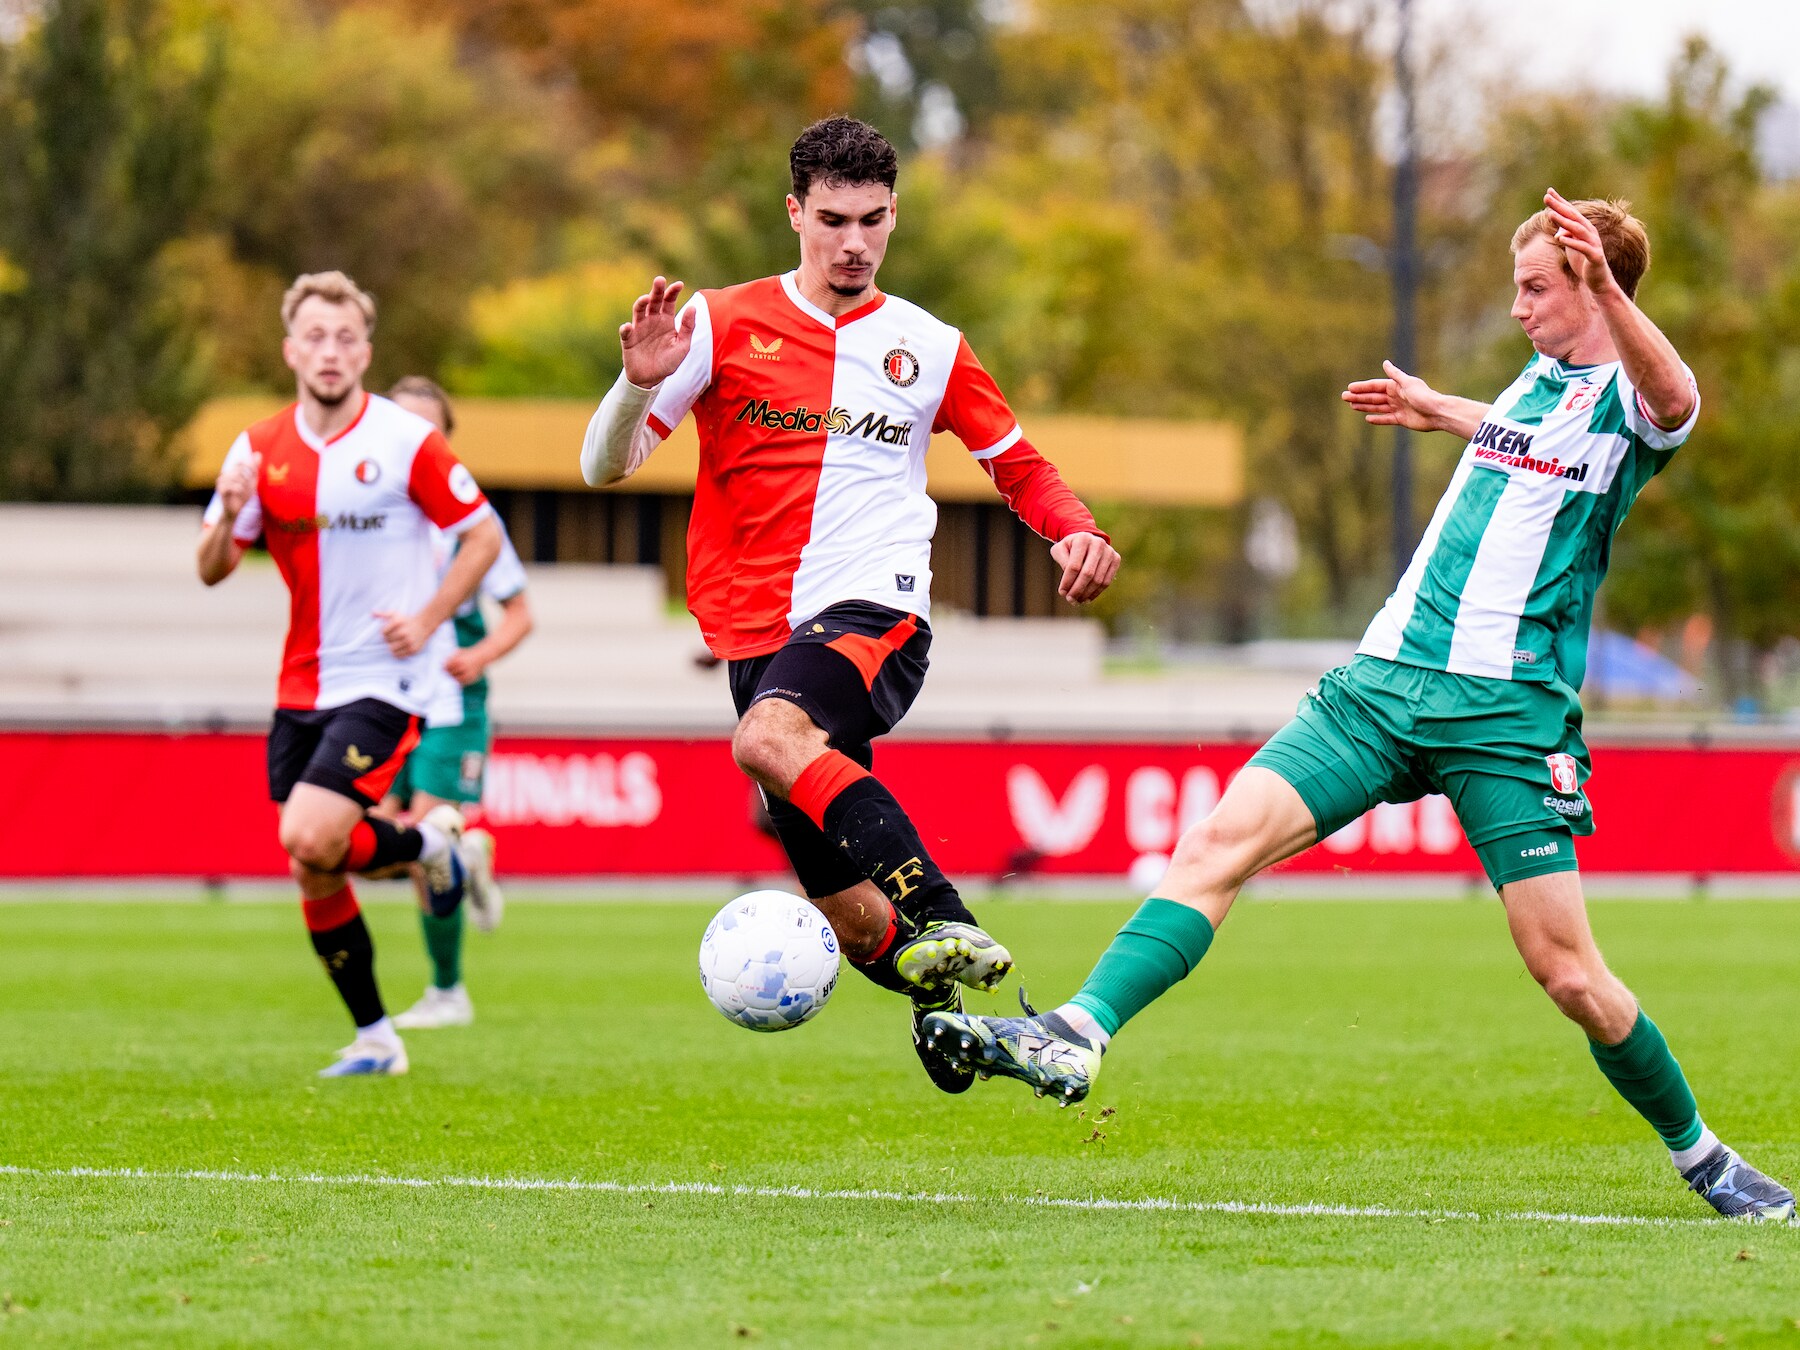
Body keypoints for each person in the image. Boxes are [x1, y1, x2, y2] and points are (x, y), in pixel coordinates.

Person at [924, 191, 1795, 1221]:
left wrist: (1608, 291)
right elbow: (1528, 434)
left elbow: (1675, 397)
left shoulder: (1635, 404)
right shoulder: (1540, 385)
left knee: (1566, 973)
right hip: (1381, 682)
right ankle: (1076, 1032)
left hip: (1503, 715)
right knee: (1215, 846)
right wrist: (1446, 412)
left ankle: (1704, 1157)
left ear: (1596, 290)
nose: (1517, 308)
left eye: (1537, 288)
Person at [581, 116, 1121, 1092]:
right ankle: (945, 1013)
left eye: (873, 221)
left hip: (879, 609)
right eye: (833, 219)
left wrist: (1073, 527)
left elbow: (1018, 465)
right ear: (795, 213)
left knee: (765, 743)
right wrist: (633, 384)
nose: (854, 243)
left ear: (893, 217)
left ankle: (947, 912)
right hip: (757, 632)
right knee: (856, 919)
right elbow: (603, 466)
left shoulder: (929, 344)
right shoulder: (717, 324)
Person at [198, 272, 501, 1078]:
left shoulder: (405, 440)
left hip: (387, 679)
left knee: (308, 833)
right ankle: (377, 1032)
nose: (330, 352)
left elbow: (482, 538)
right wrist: (228, 512)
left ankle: (431, 847)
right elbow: (212, 569)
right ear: (291, 349)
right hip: (300, 683)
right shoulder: (257, 448)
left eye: (345, 338)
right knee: (311, 861)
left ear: (365, 351)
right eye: (315, 337)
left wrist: (429, 620)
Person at [379, 376, 534, 1030]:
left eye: (429, 431)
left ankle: (448, 991)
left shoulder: (470, 522)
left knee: (420, 834)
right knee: (367, 845)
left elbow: (520, 615)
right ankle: (465, 857)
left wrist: (480, 655)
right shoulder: (371, 514)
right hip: (383, 704)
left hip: (449, 703)